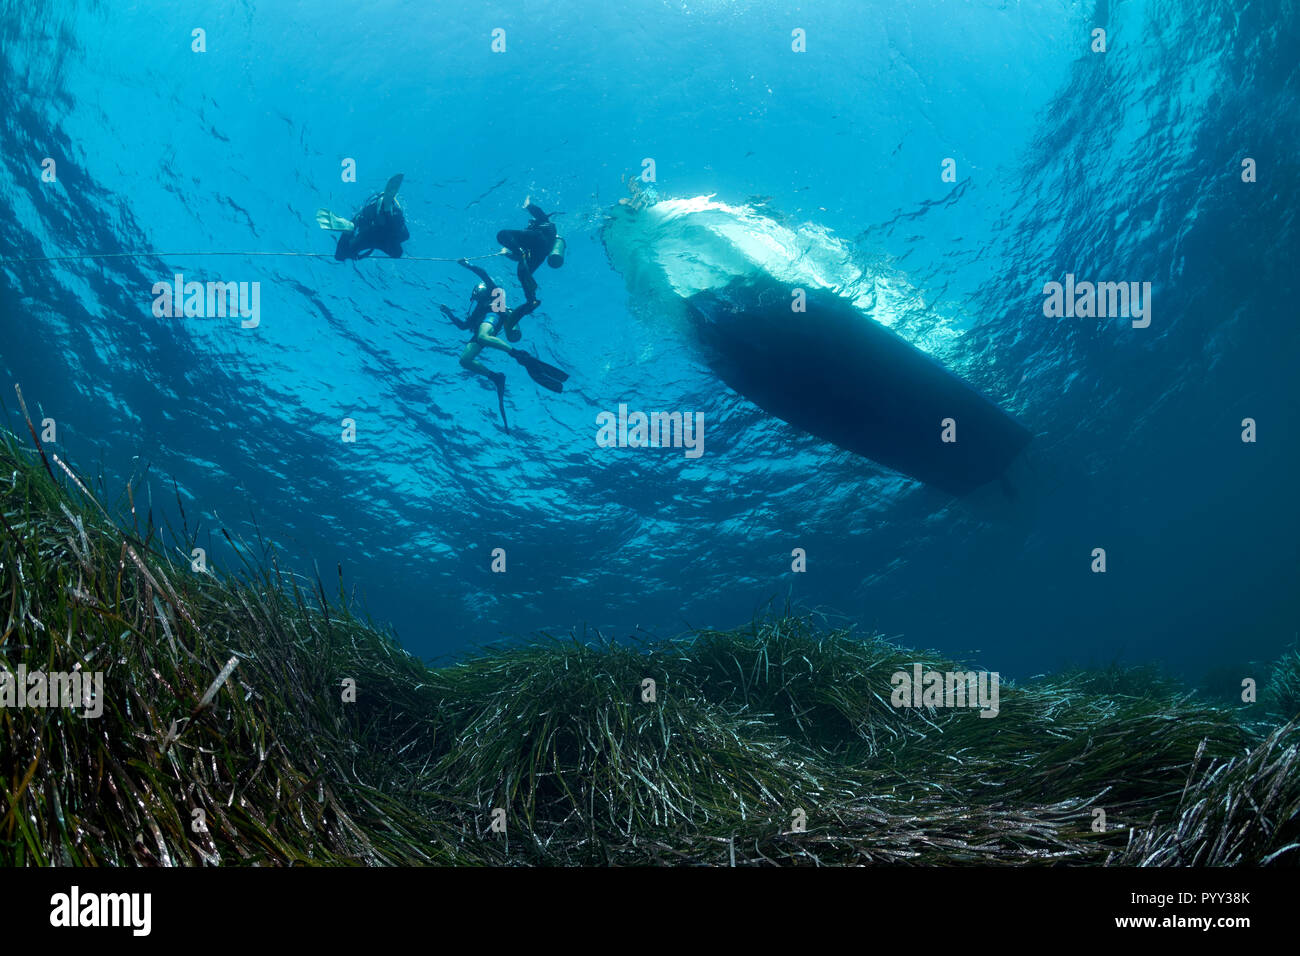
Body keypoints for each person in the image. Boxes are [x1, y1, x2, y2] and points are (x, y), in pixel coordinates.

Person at [442, 260, 568, 432]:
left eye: (478, 289)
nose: (477, 291)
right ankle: (495, 377)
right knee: (464, 360)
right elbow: (463, 326)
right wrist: (448, 313)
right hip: (481, 330)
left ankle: (517, 354)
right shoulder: (477, 309)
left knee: (483, 336)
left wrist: (468, 265)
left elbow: (484, 274)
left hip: (492, 319)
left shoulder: (494, 295)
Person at [494, 196, 563, 333]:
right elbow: (521, 259)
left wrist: (528, 204)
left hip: (537, 241)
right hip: (541, 253)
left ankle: (531, 298)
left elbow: (539, 214)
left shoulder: (543, 223)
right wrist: (509, 253)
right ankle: (531, 300)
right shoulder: (545, 230)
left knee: (502, 234)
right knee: (522, 272)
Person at [316, 174, 410, 261]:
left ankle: (348, 232)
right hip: (386, 230)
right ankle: (387, 210)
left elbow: (357, 219)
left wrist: (351, 228)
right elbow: (404, 233)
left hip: (370, 233)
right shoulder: (395, 211)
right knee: (399, 249)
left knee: (340, 255)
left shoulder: (366, 209)